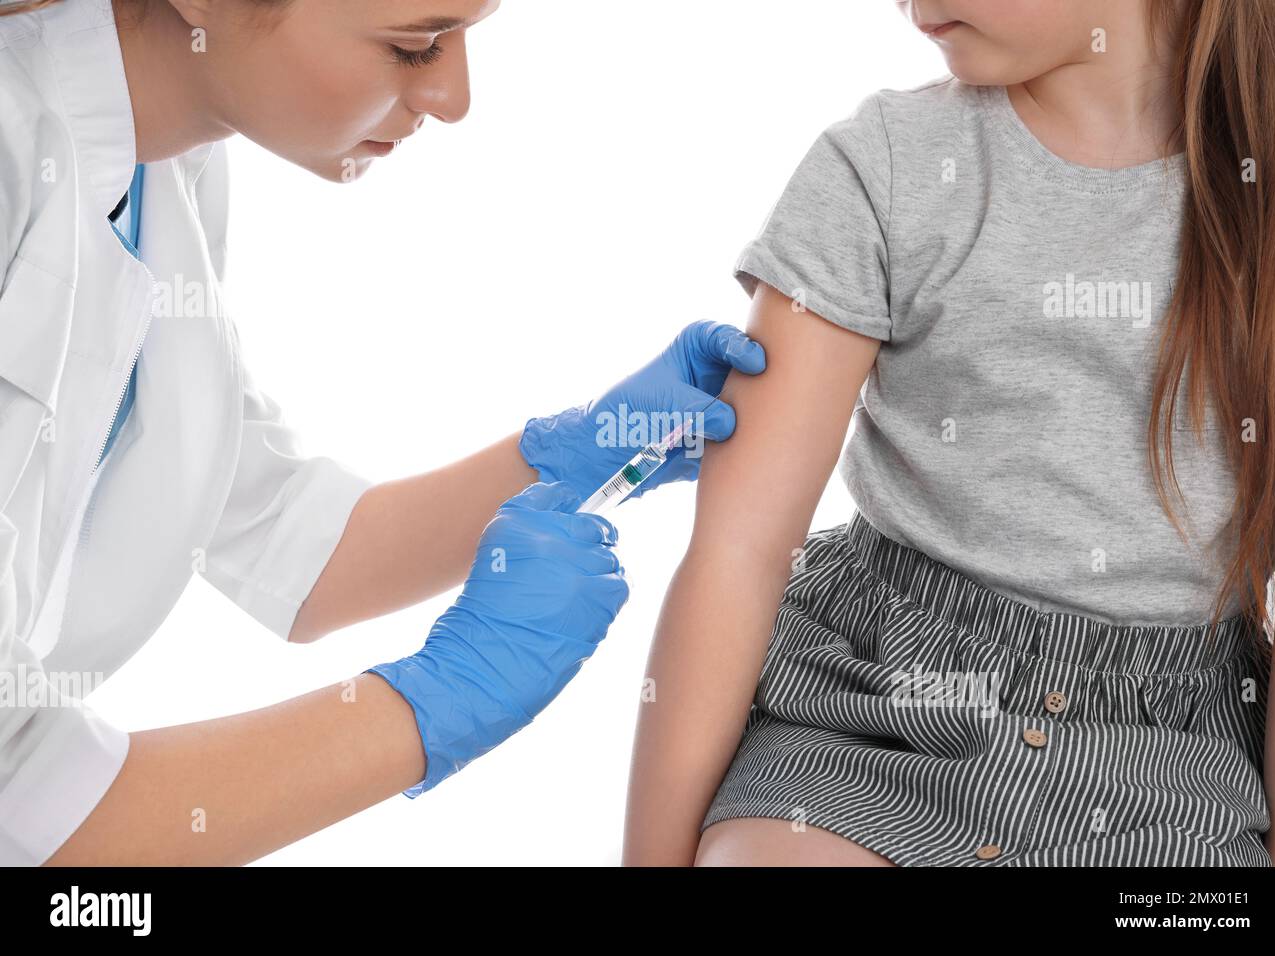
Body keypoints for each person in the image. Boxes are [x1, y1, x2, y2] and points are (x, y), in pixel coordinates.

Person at [0, 0, 767, 865]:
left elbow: (274, 528)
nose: (454, 96)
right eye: (416, 45)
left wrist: (575, 451)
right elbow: (29, 811)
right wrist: (433, 703)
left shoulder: (166, 165)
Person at [623, 0, 1275, 866]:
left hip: (1173, 774)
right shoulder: (885, 167)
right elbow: (736, 555)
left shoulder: (1273, 205)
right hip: (873, 708)